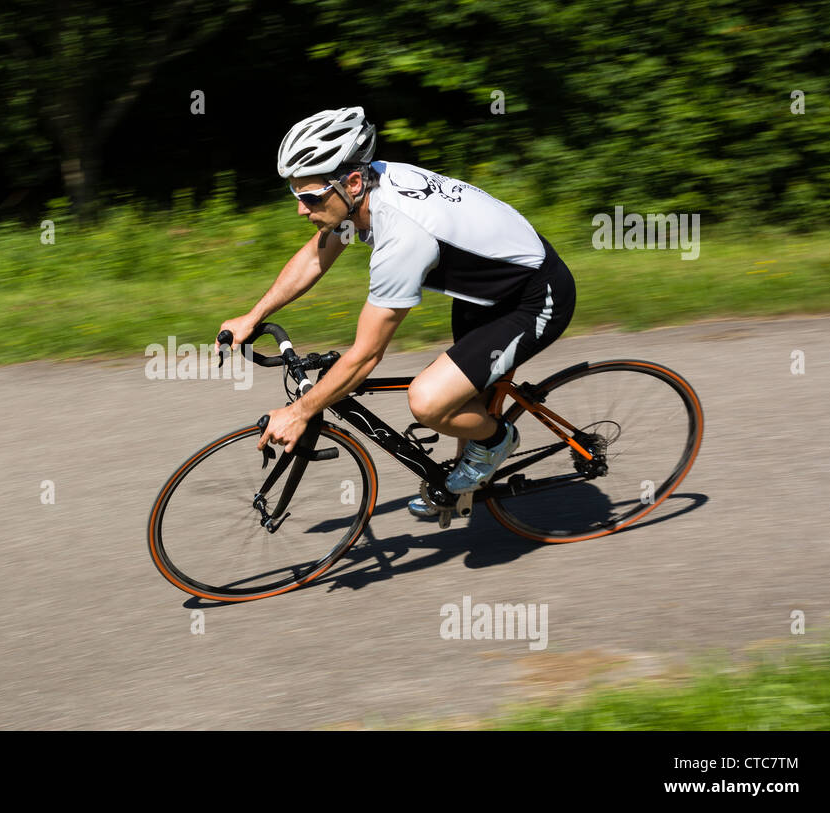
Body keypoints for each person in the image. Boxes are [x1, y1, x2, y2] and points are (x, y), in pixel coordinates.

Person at [216, 106, 576, 518]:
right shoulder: (366, 186)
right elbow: (316, 257)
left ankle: (496, 442)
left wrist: (300, 412)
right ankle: (468, 481)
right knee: (461, 401)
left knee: (429, 401)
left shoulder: (402, 239)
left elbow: (367, 356)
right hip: (488, 290)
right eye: (295, 195)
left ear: (351, 181)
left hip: (535, 297)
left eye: (310, 196)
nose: (300, 208)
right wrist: (253, 314)